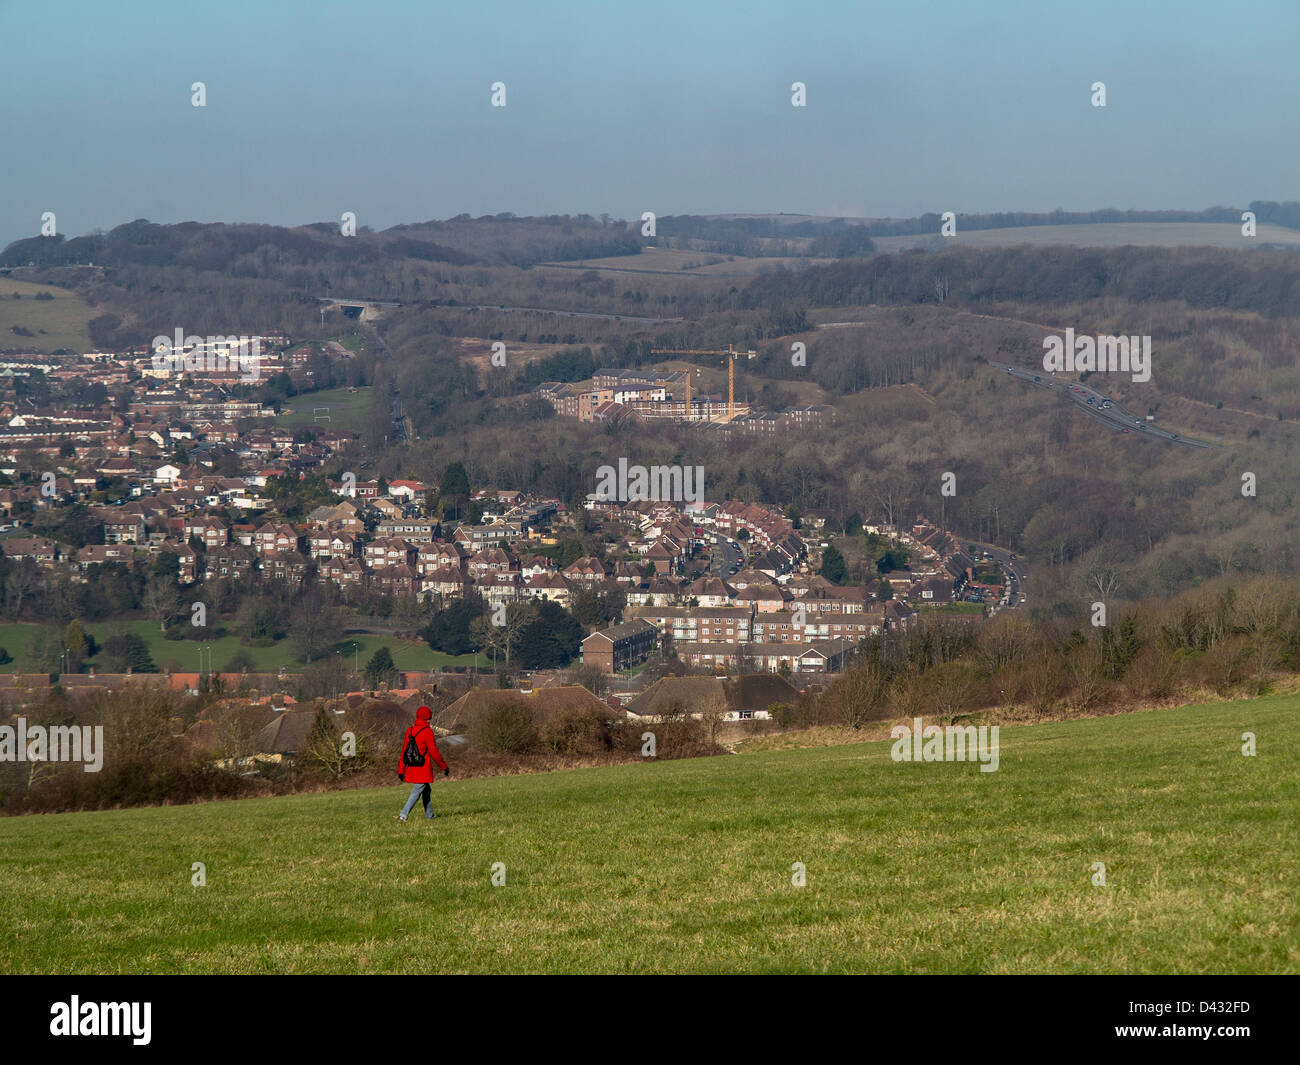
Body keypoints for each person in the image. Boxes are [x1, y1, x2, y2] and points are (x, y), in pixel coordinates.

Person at [396, 705, 449, 822]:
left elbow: (405, 751)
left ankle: (430, 816)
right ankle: (403, 815)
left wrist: (401, 770)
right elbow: (434, 752)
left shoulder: (410, 730)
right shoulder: (427, 732)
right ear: (428, 718)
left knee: (426, 790)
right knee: (417, 790)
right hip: (423, 768)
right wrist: (444, 766)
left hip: (412, 766)